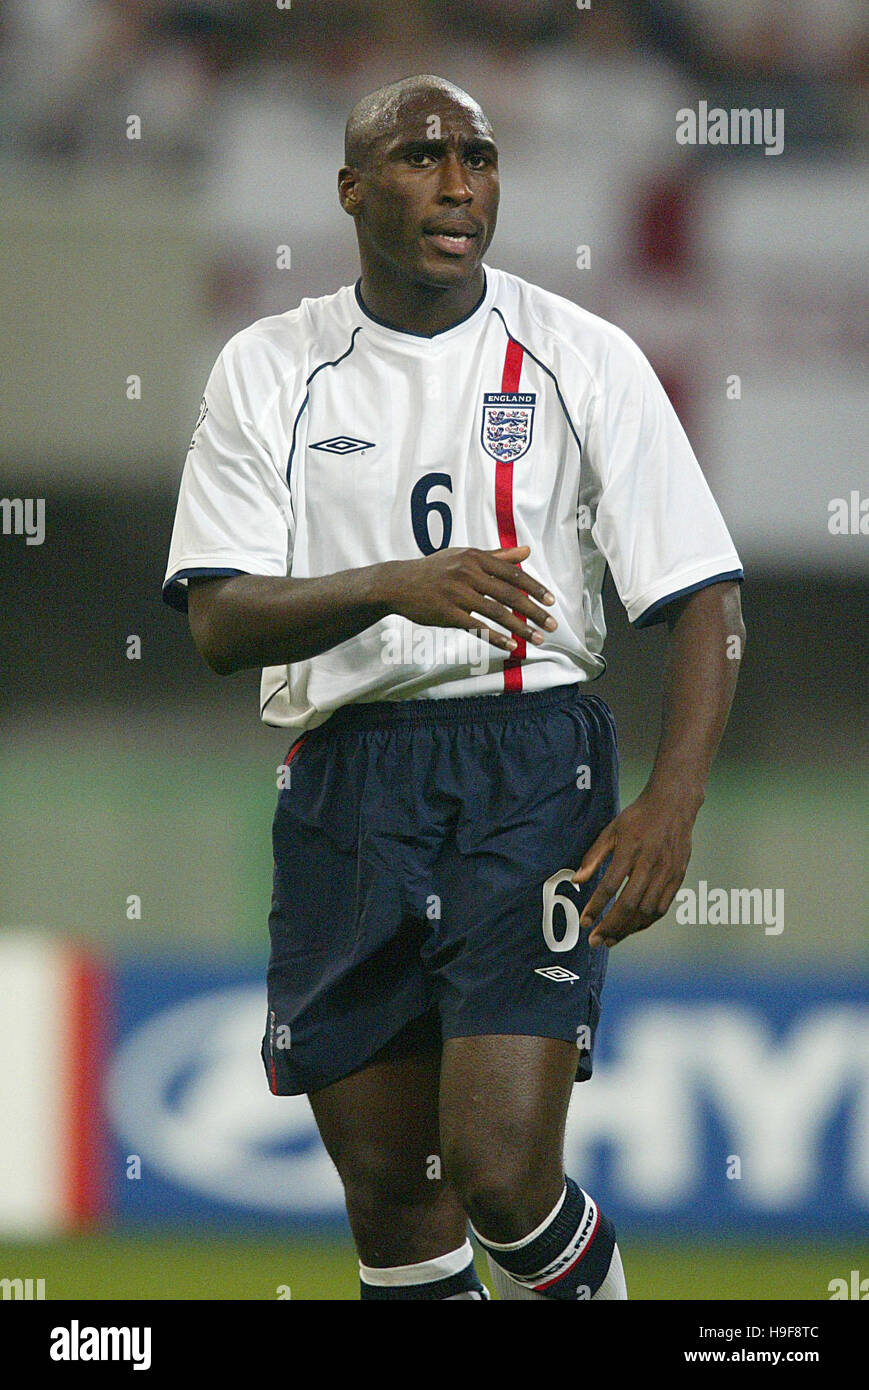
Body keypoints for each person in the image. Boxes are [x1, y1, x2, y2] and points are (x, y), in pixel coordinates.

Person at [163, 74, 745, 1301]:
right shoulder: (269, 369)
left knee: (495, 1171)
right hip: (344, 777)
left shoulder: (580, 356)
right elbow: (218, 620)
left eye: (477, 158)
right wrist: (392, 584)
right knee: (393, 1203)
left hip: (528, 769)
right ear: (351, 188)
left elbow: (702, 597)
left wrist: (669, 803)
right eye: (422, 157)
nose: (457, 184)